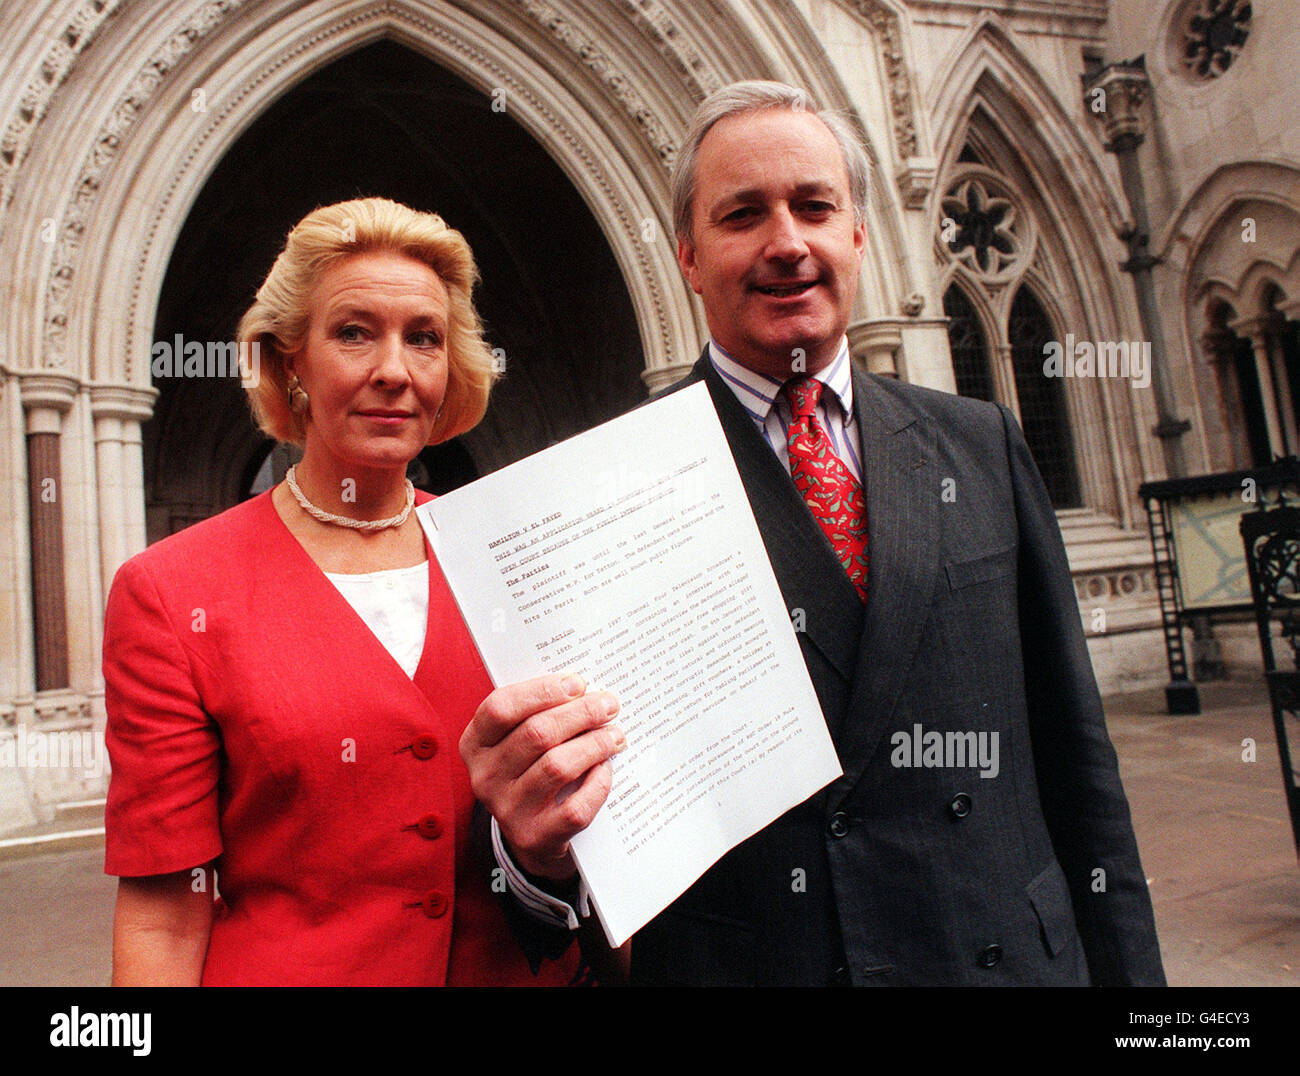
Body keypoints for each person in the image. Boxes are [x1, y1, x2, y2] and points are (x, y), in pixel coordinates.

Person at [460, 82, 1167, 985]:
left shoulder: (982, 443)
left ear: (860, 235)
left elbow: (1080, 767)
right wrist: (533, 850)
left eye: (815, 206)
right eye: (743, 214)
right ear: (687, 254)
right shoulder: (604, 499)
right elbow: (585, 853)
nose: (786, 242)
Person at [103, 197, 580, 986]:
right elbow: (163, 912)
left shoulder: (513, 555)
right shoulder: (170, 591)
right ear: (290, 360)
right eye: (355, 332)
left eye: (422, 338)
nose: (394, 370)